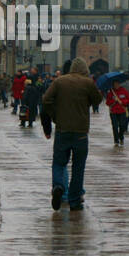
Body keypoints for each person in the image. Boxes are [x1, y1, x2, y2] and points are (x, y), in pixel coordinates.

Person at [41, 56, 102, 212]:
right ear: (84, 70)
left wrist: (55, 116)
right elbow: (97, 101)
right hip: (81, 132)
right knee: (78, 167)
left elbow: (46, 99)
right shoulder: (88, 83)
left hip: (62, 129)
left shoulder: (60, 81)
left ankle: (58, 186)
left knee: (59, 162)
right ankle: (75, 201)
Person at [106, 81, 129, 147]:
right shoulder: (110, 92)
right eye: (115, 84)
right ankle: (116, 140)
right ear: (113, 85)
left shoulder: (124, 90)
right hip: (113, 112)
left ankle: (121, 137)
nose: (116, 85)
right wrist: (114, 101)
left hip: (122, 111)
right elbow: (107, 102)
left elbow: (128, 100)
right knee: (115, 126)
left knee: (122, 125)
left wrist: (122, 101)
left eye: (117, 84)